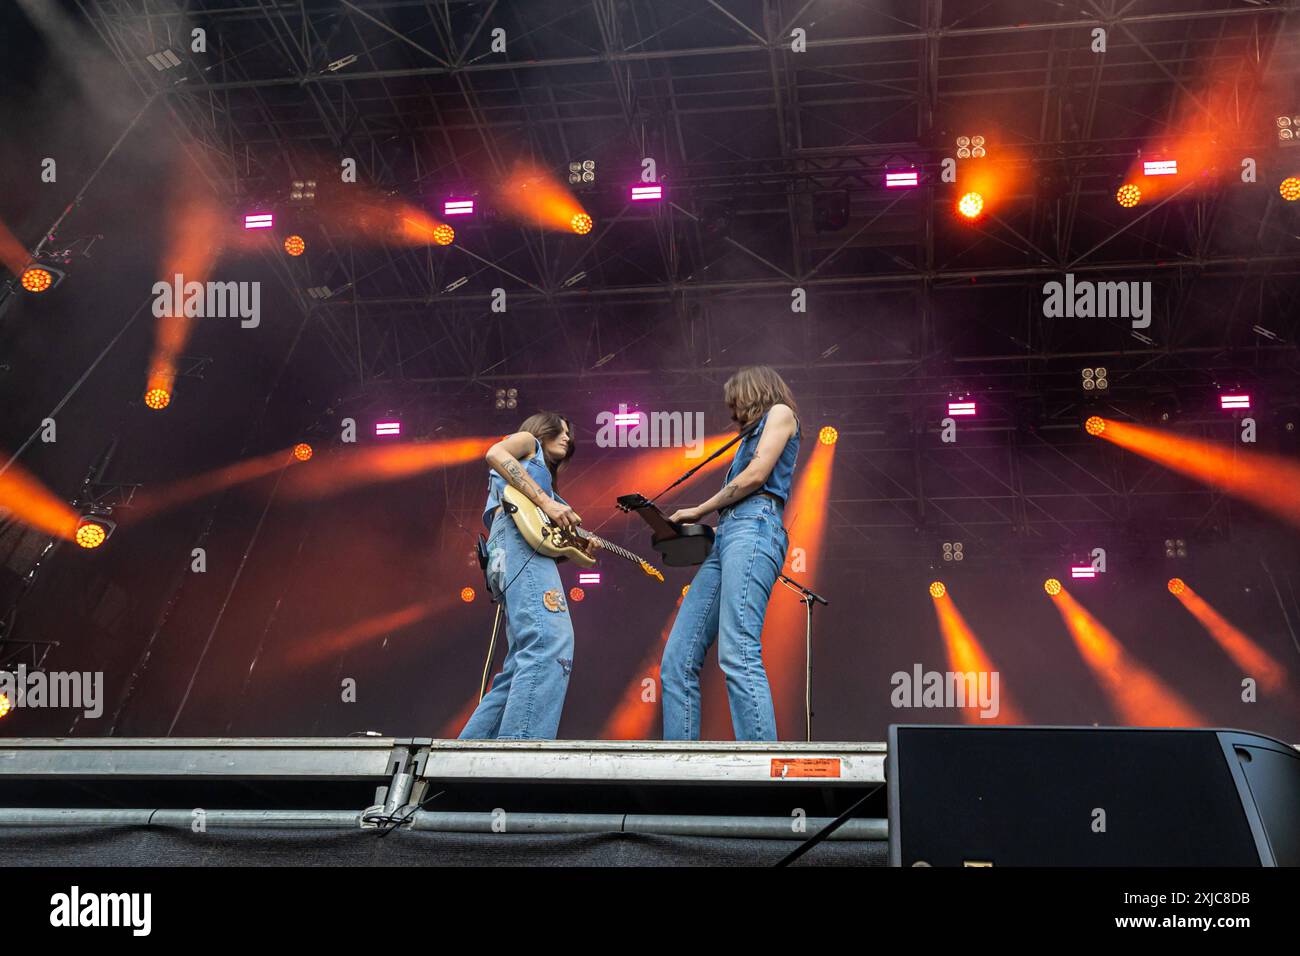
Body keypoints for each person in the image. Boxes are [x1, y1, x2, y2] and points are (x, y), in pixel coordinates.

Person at [660, 365, 801, 741]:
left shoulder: (781, 414)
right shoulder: (749, 436)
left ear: (752, 392)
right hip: (730, 533)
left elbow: (756, 477)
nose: (733, 414)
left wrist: (698, 509)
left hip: (755, 527)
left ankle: (760, 765)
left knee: (738, 648)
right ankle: (679, 764)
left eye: (735, 404)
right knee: (677, 659)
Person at [458, 411, 580, 740]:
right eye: (561, 430)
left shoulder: (543, 485)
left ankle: (465, 753)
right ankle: (519, 751)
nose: (567, 437)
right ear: (543, 429)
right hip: (515, 543)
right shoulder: (528, 443)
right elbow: (494, 454)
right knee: (550, 642)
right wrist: (546, 502)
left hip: (506, 552)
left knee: (519, 664)